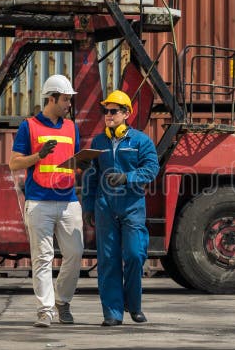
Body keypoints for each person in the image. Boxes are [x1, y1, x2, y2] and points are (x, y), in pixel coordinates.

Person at [9, 74, 84, 328]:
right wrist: (38, 155)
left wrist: (84, 165)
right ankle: (45, 310)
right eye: (65, 99)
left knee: (75, 254)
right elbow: (14, 163)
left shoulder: (72, 127)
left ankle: (62, 300)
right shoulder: (28, 126)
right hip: (39, 201)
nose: (68, 104)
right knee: (43, 257)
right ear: (51, 98)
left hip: (69, 200)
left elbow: (75, 160)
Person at [82, 90, 159, 327]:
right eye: (106, 111)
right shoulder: (98, 142)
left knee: (135, 255)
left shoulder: (140, 141)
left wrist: (127, 177)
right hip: (105, 206)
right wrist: (88, 206)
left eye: (113, 111)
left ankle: (133, 304)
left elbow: (152, 168)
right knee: (108, 260)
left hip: (132, 205)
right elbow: (91, 176)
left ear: (126, 114)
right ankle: (113, 313)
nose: (108, 115)